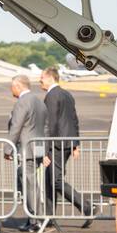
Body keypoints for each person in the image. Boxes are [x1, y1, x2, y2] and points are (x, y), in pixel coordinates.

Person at [40, 66, 93, 223]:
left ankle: (87, 207)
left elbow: (50, 125)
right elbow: (74, 120)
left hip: (56, 144)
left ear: (50, 78)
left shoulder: (51, 96)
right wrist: (76, 145)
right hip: (67, 143)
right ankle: (49, 218)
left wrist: (43, 150)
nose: (39, 81)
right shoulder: (67, 94)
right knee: (50, 180)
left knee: (55, 180)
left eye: (41, 78)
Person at [6, 75, 46, 231]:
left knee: (29, 185)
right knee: (29, 183)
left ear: (18, 86)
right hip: (37, 149)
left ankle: (35, 218)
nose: (11, 89)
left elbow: (16, 126)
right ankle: (33, 218)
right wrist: (45, 151)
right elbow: (46, 128)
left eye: (12, 86)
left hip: (26, 150)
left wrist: (8, 148)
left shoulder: (23, 102)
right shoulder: (39, 101)